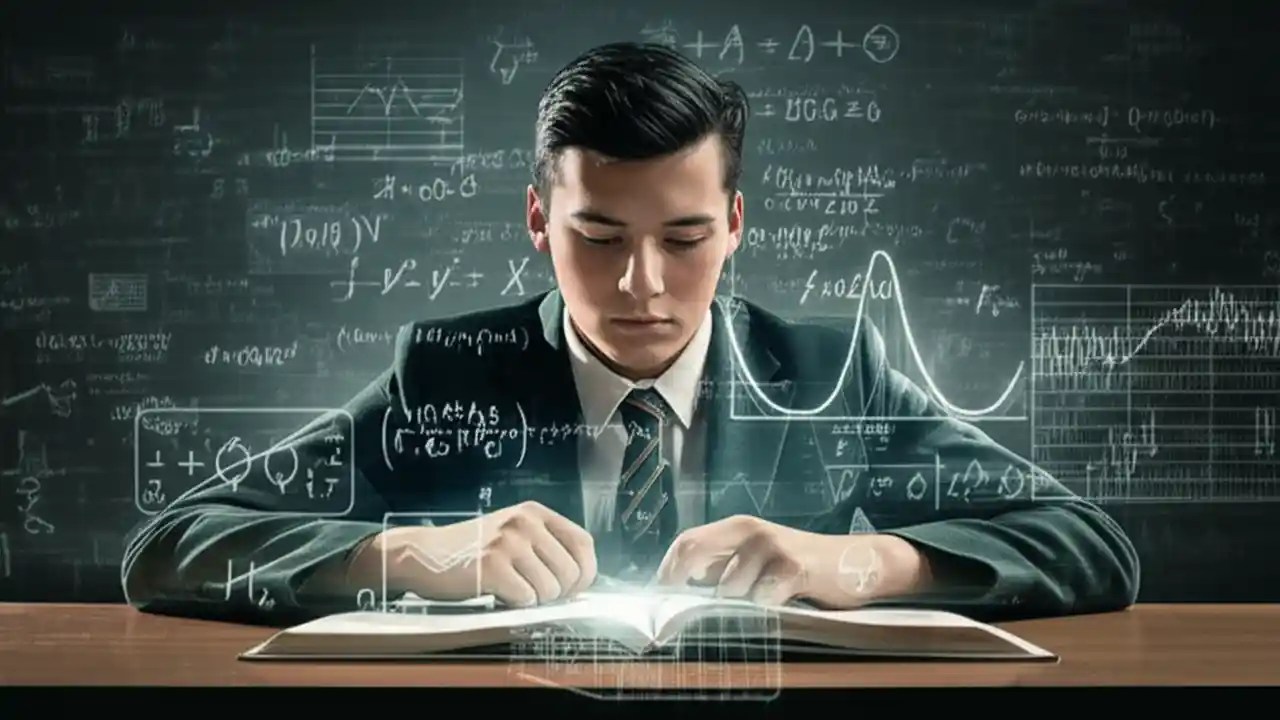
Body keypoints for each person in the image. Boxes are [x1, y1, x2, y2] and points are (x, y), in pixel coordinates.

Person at [120, 41, 1139, 626]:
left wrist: (857, 566)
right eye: (596, 235)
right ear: (536, 222)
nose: (640, 284)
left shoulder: (831, 374)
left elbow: (1090, 547)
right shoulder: (446, 373)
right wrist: (408, 554)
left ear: (734, 226)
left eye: (685, 237)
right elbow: (170, 547)